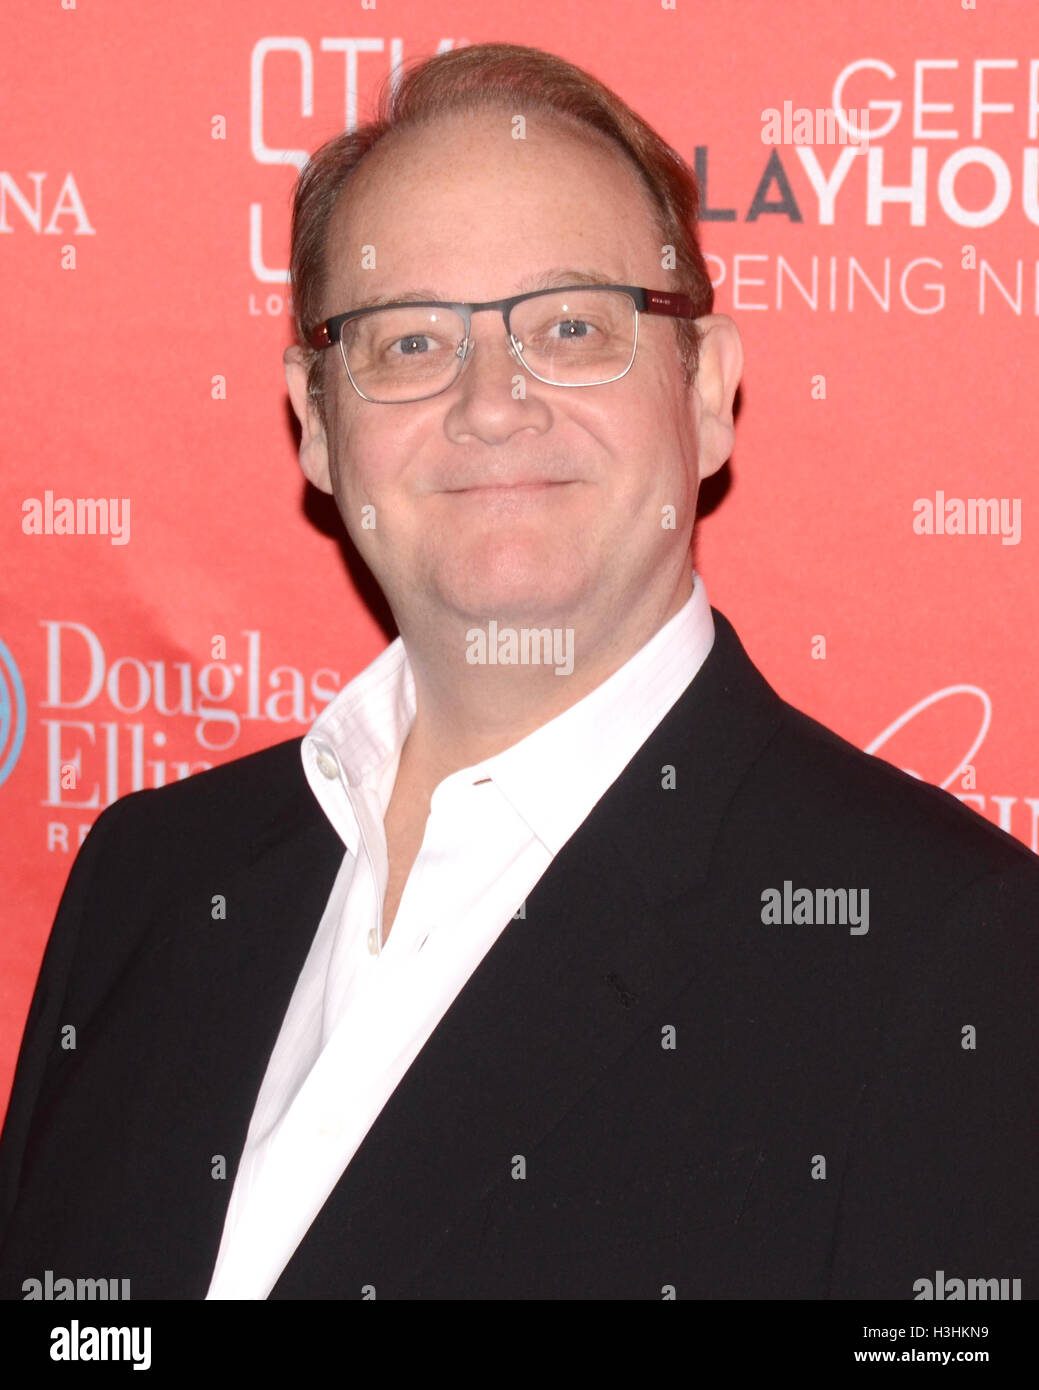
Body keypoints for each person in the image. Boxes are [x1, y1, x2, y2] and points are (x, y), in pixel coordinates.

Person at [1, 41, 1037, 1302]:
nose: (493, 402)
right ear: (318, 424)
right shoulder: (148, 879)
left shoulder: (949, 955)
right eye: (407, 342)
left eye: (571, 326)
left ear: (706, 389)